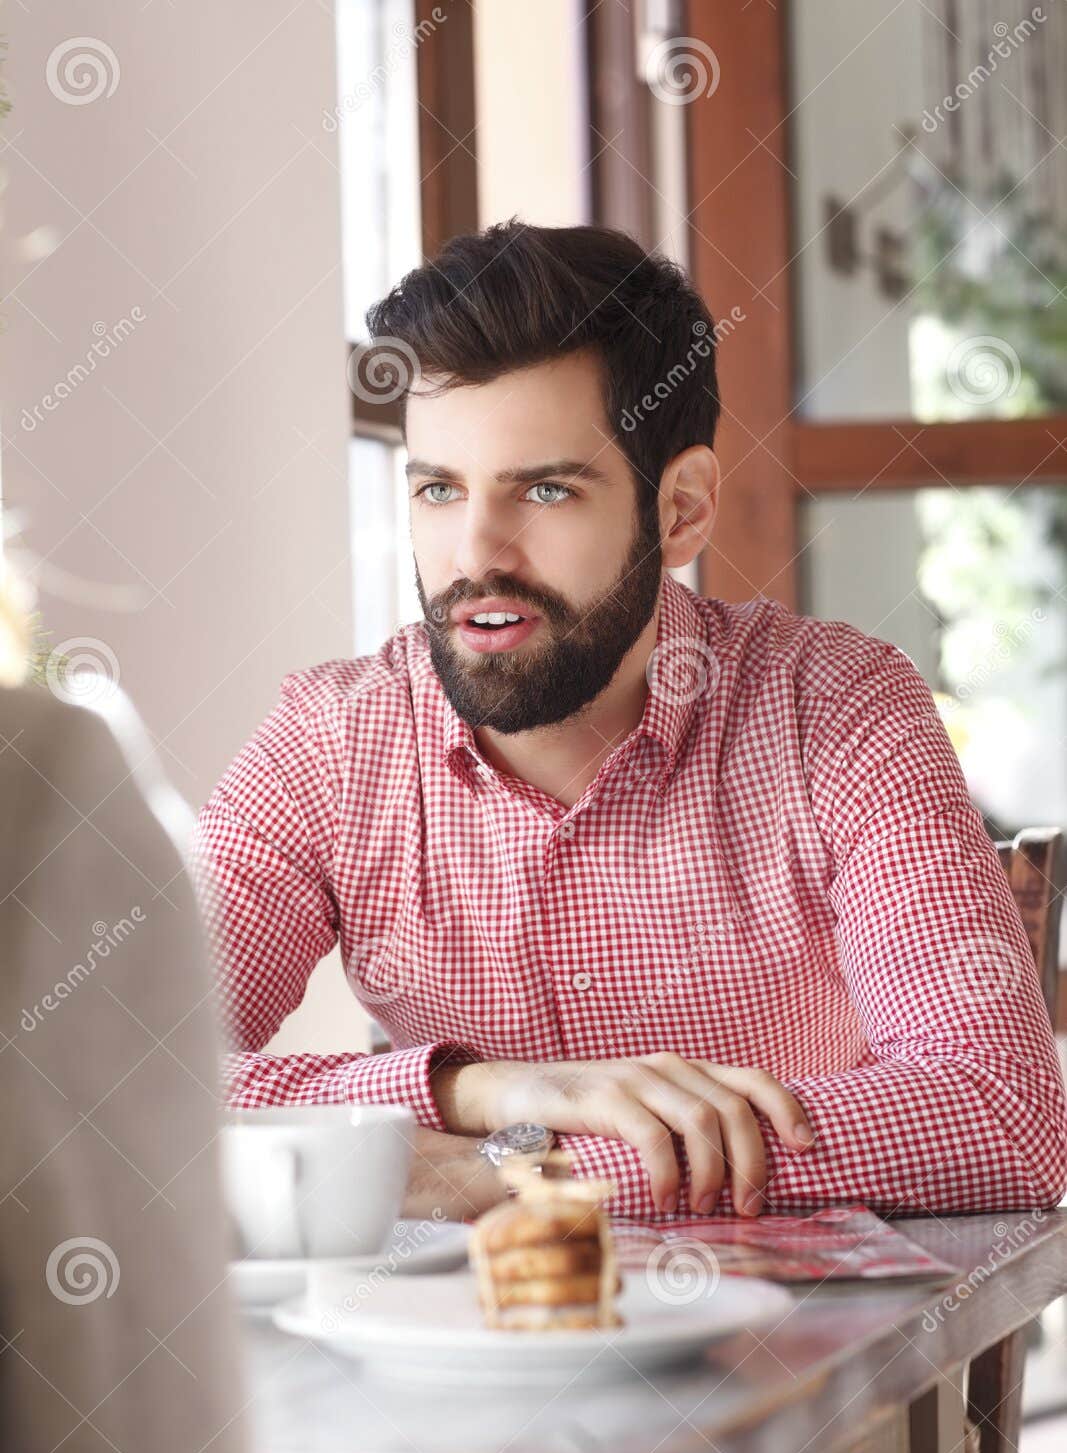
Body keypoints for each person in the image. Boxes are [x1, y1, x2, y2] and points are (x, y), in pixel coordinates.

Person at [192, 218, 1067, 1226]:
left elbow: (998, 1114)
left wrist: (517, 1169)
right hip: (448, 1356)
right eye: (438, 489)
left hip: (802, 1362)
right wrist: (483, 1092)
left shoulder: (834, 708)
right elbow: (121, 1081)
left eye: (546, 490)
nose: (476, 554)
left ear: (681, 508)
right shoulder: (328, 741)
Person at [0, 679, 252, 1453]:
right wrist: (460, 1090)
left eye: (551, 516)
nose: (479, 546)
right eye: (428, 517)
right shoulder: (37, 790)